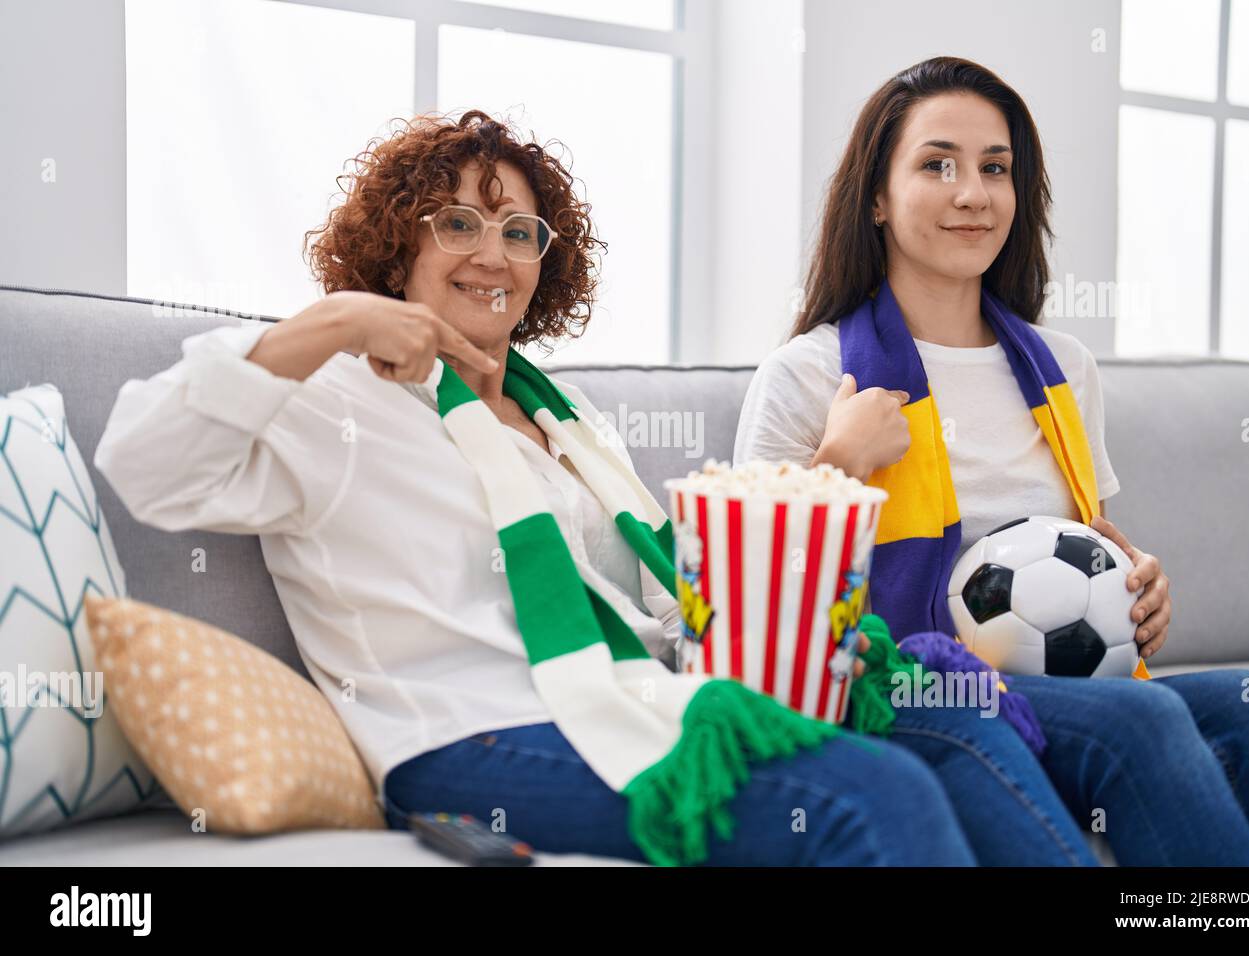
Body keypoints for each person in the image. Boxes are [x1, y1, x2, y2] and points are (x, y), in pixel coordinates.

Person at [96, 110, 984, 866]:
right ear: (396, 241)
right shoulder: (336, 396)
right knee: (870, 792)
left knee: (967, 736)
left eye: (519, 234)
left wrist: (783, 653)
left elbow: (668, 615)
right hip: (464, 738)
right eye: (457, 223)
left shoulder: (568, 421)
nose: (494, 254)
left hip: (639, 693)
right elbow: (145, 460)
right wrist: (334, 322)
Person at [734, 56, 1249, 866]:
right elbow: (741, 605)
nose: (974, 193)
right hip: (907, 686)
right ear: (876, 199)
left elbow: (1090, 545)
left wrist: (1139, 587)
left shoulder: (1061, 367)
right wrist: (840, 464)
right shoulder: (810, 375)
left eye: (995, 169)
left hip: (1058, 684)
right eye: (938, 165)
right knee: (1139, 724)